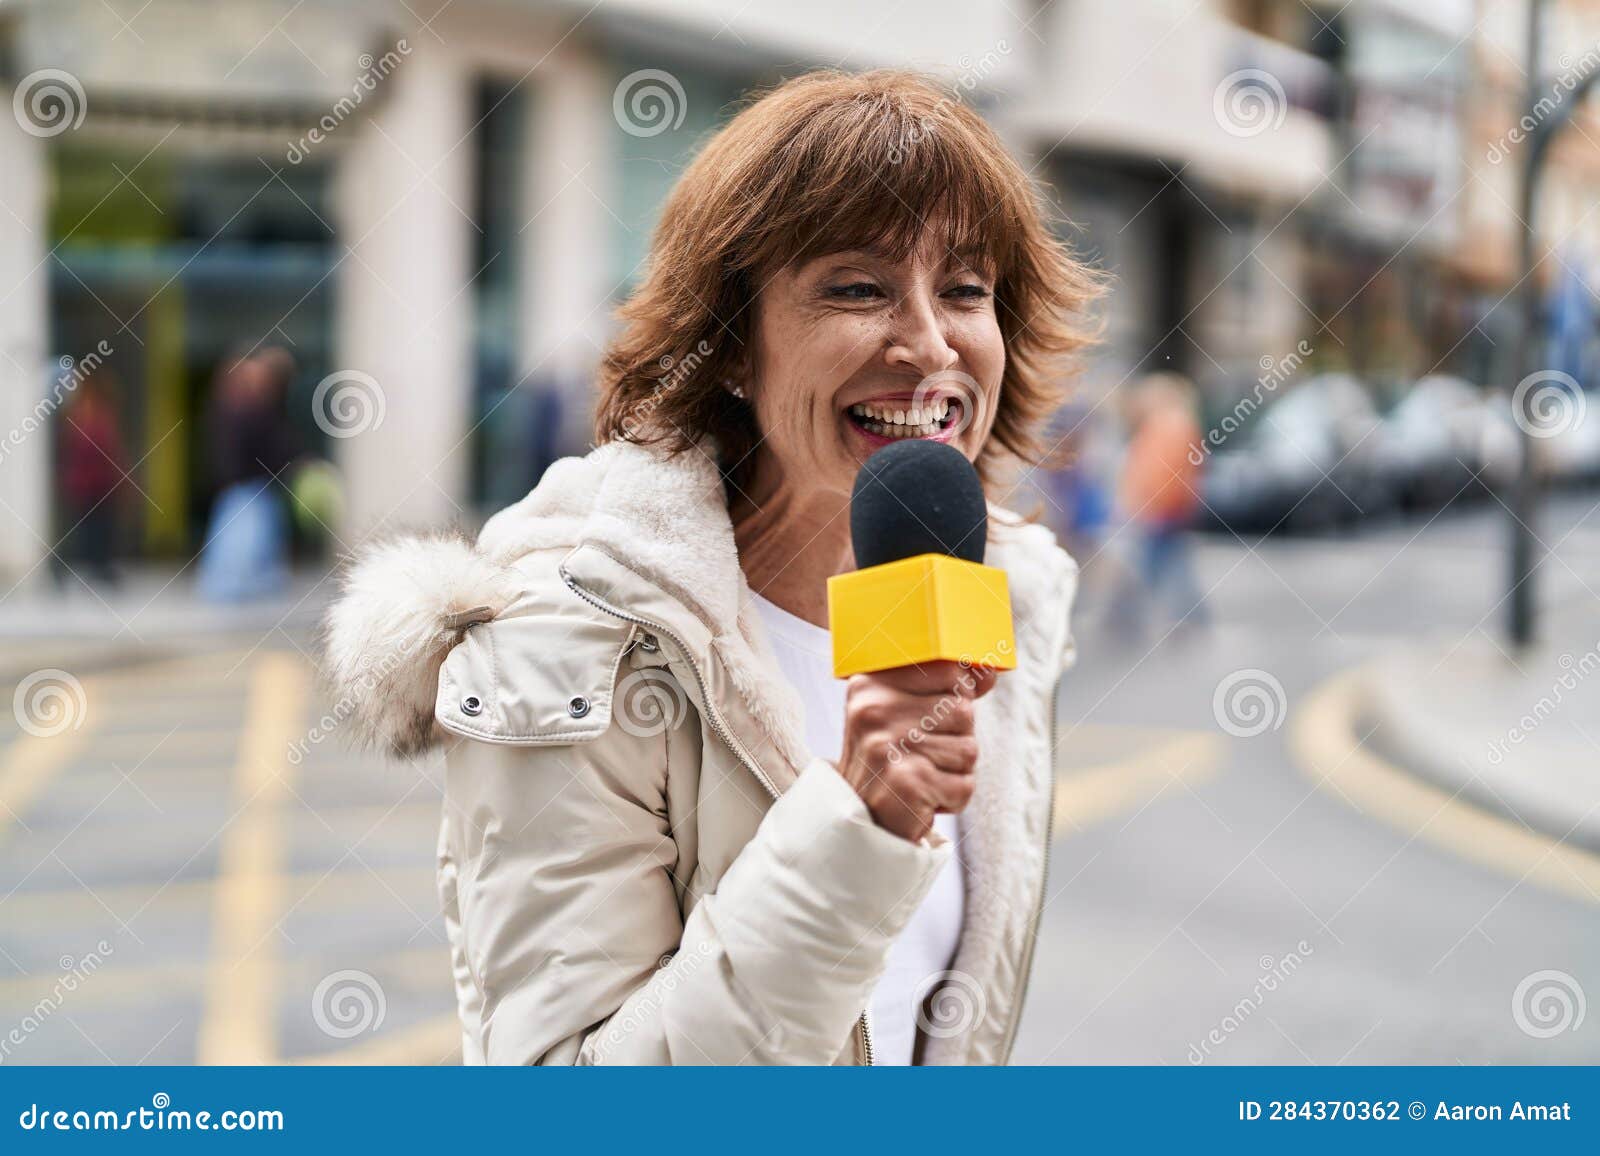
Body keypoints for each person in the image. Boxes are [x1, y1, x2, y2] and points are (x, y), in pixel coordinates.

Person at [324, 70, 1101, 1065]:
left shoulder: (1002, 600)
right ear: (733, 346)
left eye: (964, 289)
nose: (929, 342)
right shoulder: (570, 641)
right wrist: (856, 828)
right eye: (858, 287)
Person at [197, 347, 302, 601]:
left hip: (249, 486)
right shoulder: (240, 411)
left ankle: (247, 588)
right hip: (244, 487)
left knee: (250, 544)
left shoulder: (247, 409)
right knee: (240, 545)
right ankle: (234, 589)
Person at [1107, 371, 1208, 635]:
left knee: (1148, 566)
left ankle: (1123, 615)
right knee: (1171, 565)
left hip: (1161, 512)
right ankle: (1191, 617)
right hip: (1164, 511)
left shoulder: (1170, 426)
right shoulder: (1168, 424)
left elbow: (1162, 473)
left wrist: (1146, 506)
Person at [55, 367, 128, 587]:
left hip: (99, 485)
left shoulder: (97, 416)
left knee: (100, 528)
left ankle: (100, 566)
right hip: (87, 485)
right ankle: (79, 566)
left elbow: (111, 450)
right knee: (87, 529)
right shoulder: (80, 416)